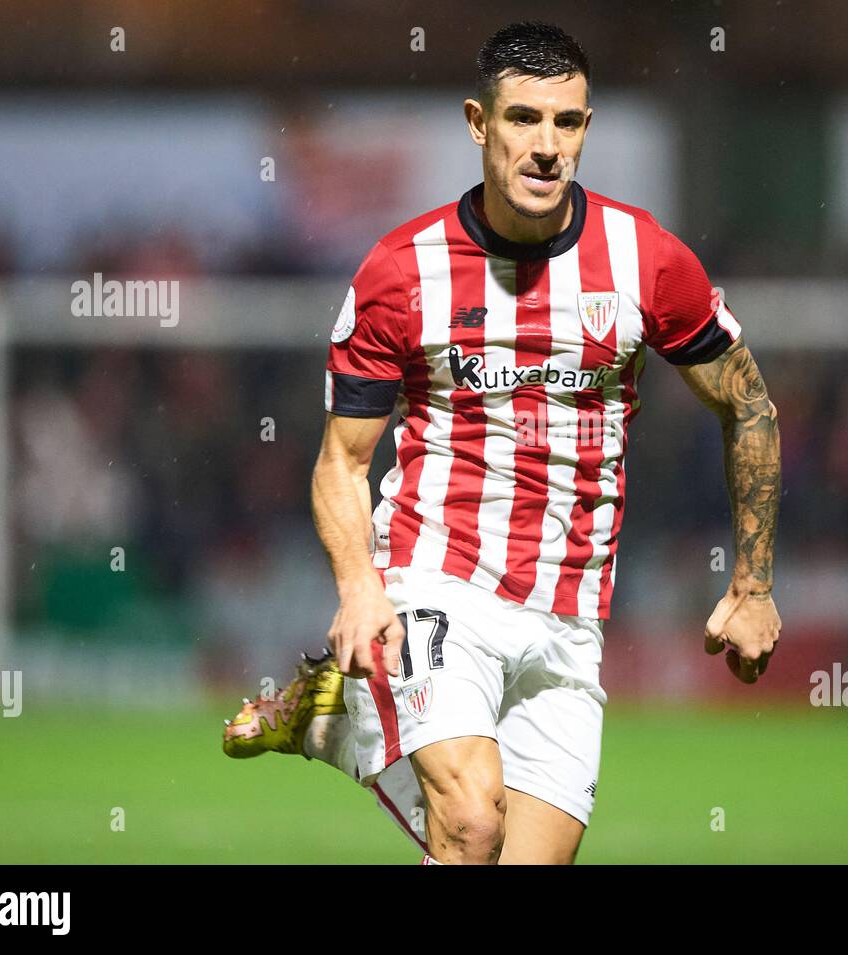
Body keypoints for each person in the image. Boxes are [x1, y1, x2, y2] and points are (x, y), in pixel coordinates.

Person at [222, 20, 781, 865]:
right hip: (436, 574)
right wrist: (358, 587)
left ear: (586, 128)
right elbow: (341, 460)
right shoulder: (401, 271)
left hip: (571, 611)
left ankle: (339, 720)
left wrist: (752, 582)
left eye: (568, 122)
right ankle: (360, 710)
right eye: (524, 119)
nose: (548, 145)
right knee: (473, 820)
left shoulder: (645, 259)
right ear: (479, 124)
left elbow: (750, 405)